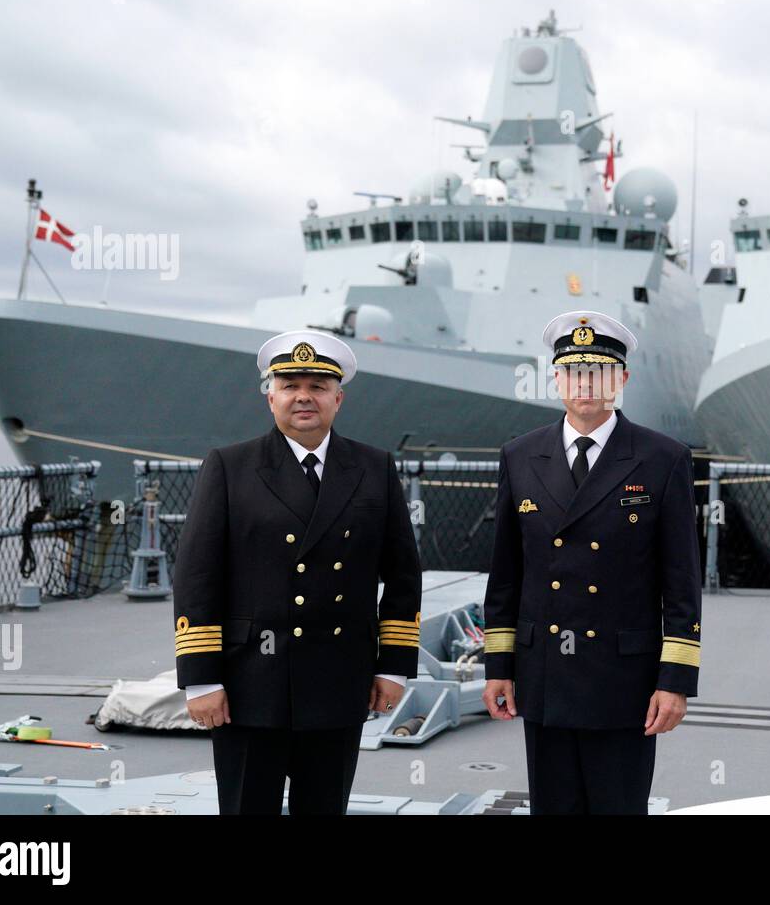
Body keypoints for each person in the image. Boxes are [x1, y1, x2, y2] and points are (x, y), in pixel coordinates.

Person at [173, 329, 422, 815]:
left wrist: (392, 666)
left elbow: (402, 574)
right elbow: (197, 575)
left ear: (338, 398)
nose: (303, 396)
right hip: (250, 683)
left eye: (317, 386)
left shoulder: (374, 468)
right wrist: (201, 679)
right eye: (289, 385)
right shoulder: (230, 466)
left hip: (339, 679)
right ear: (271, 397)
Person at [481, 310, 703, 814]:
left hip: (623, 679)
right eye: (575, 371)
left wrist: (675, 680)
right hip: (545, 675)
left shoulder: (662, 458)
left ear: (621, 379)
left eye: (600, 371)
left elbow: (681, 580)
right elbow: (506, 572)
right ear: (556, 378)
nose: (586, 383)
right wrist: (498, 666)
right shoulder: (520, 456)